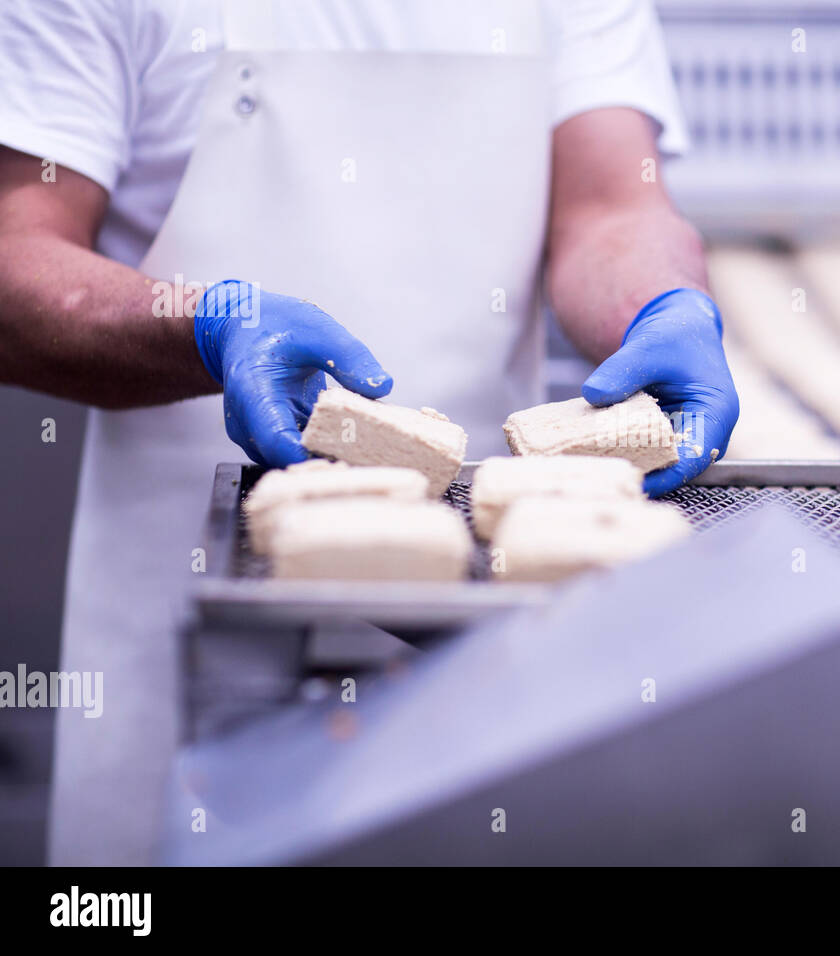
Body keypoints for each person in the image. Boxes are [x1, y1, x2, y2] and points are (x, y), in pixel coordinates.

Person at [0, 0, 739, 864]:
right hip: (181, 605)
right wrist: (200, 327)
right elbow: (17, 254)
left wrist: (658, 303)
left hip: (489, 607)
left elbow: (611, 207)